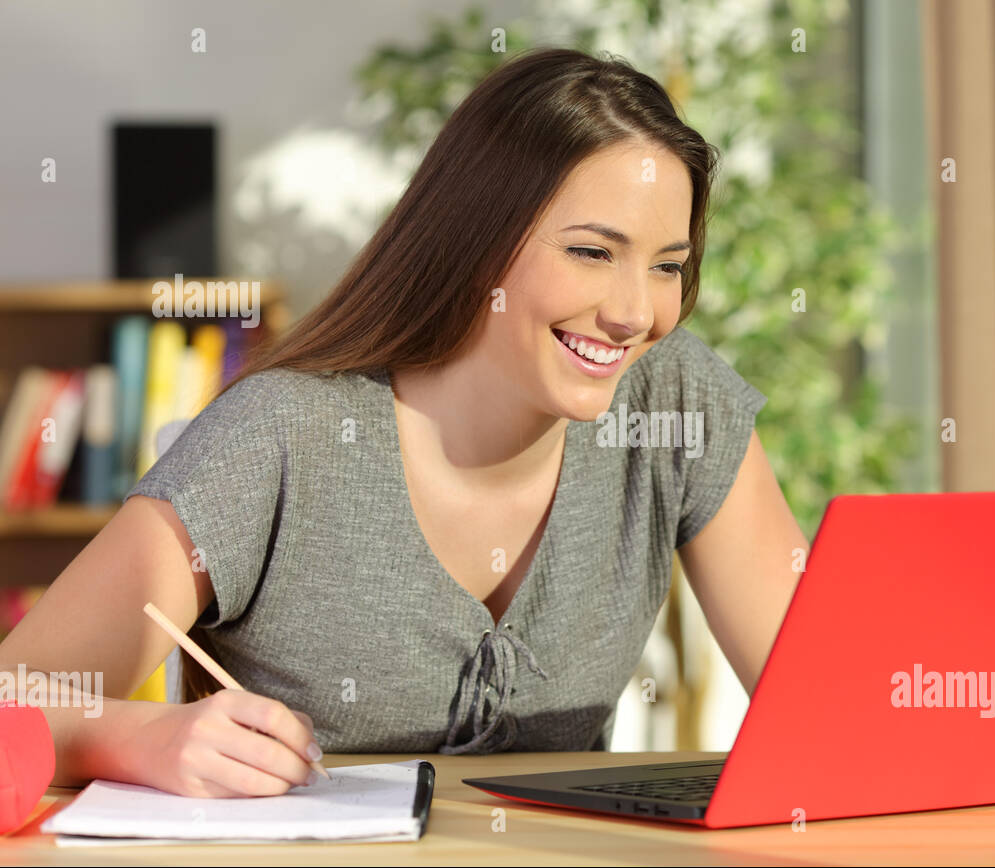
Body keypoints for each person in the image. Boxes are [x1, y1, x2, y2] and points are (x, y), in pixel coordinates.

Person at [0, 47, 807, 798]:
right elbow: (13, 699)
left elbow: (821, 705)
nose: (637, 312)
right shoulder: (285, 434)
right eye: (593, 252)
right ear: (479, 241)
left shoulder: (673, 404)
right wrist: (140, 738)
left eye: (668, 266)